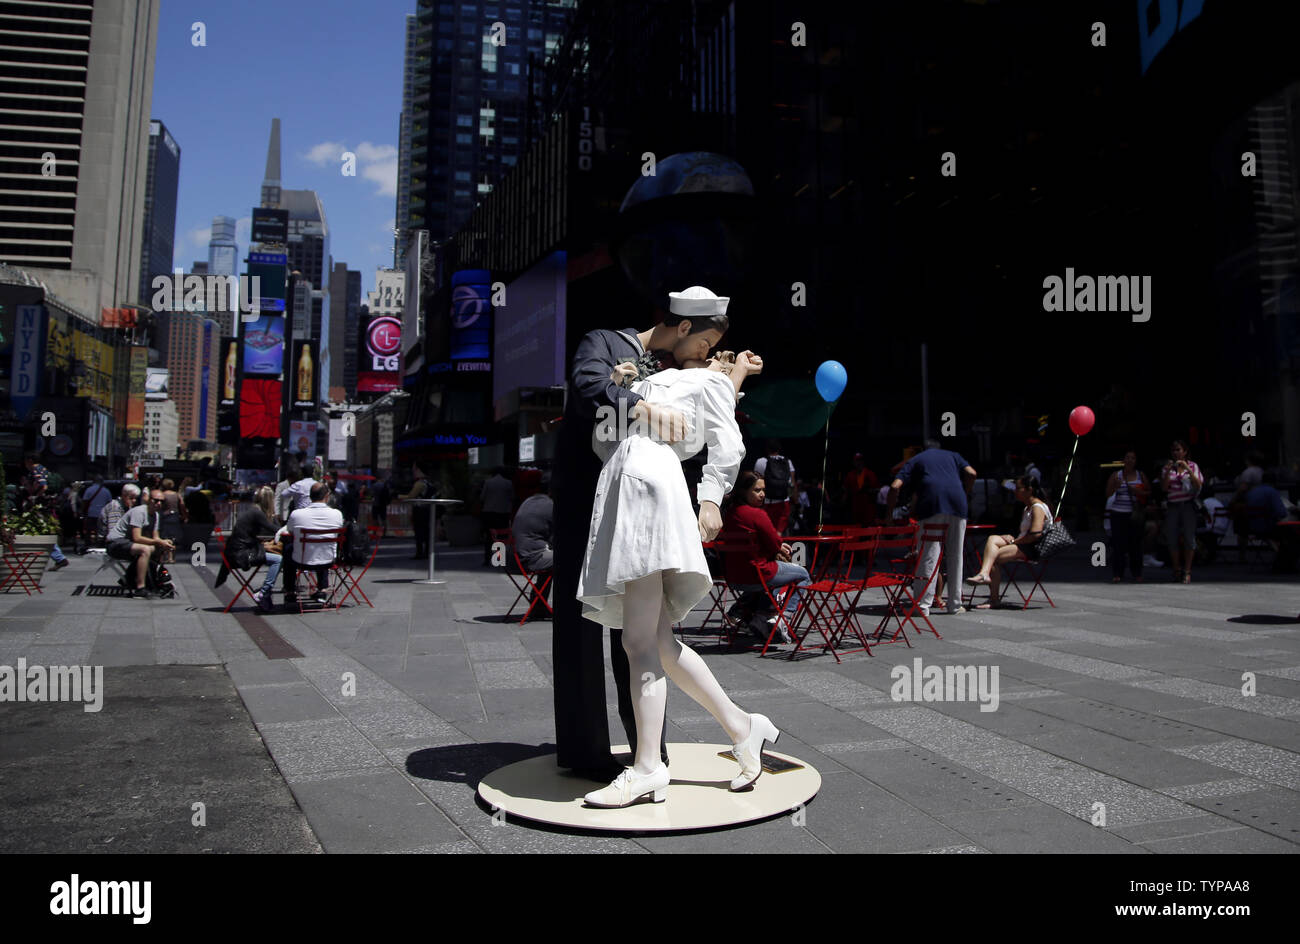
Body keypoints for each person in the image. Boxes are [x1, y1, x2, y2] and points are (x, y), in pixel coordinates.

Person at [577, 342, 779, 807]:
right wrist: (623, 389)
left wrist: (711, 497)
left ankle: (648, 767)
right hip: (629, 481)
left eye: (716, 349)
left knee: (639, 642)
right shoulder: (659, 380)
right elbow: (606, 437)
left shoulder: (708, 381)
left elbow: (727, 440)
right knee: (659, 643)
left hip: (647, 486)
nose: (712, 353)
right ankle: (743, 727)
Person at [551, 286, 726, 781]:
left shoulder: (676, 370)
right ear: (685, 328)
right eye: (705, 344)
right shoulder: (604, 341)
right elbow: (588, 386)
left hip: (640, 502)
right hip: (588, 494)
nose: (705, 355)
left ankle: (648, 751)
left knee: (642, 629)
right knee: (584, 621)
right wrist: (641, 406)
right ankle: (585, 748)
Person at [885, 438, 976, 616]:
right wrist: (964, 493)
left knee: (929, 554)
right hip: (958, 505)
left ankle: (922, 605)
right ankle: (955, 605)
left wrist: (889, 515)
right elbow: (972, 473)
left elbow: (895, 486)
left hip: (932, 505)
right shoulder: (954, 456)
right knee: (956, 555)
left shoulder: (917, 459)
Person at [719, 469, 811, 642]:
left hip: (733, 576)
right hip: (759, 573)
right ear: (744, 491)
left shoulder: (729, 513)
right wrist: (777, 545)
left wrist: (775, 545)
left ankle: (740, 611)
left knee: (766, 579)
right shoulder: (757, 514)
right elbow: (774, 544)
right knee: (803, 575)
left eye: (763, 490)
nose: (762, 495)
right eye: (757, 490)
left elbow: (771, 544)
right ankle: (783, 617)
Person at [965, 477, 1052, 607]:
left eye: (1018, 488)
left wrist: (1013, 541)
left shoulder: (1037, 508)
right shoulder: (1027, 508)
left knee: (993, 557)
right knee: (993, 538)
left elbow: (1035, 535)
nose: (1014, 491)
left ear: (1029, 490)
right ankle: (984, 574)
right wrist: (1012, 539)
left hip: (1032, 548)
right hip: (1023, 544)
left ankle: (993, 598)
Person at [277, 482, 345, 608]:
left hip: (302, 560)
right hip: (328, 560)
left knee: (288, 549)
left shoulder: (297, 514)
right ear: (327, 496)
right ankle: (322, 589)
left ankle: (290, 591)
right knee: (323, 545)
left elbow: (290, 531)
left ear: (310, 496)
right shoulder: (337, 514)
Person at [221, 485, 284, 612]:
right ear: (269, 501)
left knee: (276, 555)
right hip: (241, 555)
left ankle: (265, 593)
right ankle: (264, 592)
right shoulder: (257, 513)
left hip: (236, 551)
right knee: (277, 559)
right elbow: (275, 529)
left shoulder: (253, 511)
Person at [106, 486, 173, 598]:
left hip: (128, 543)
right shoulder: (139, 512)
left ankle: (146, 580)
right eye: (156, 500)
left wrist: (164, 542)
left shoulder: (155, 515)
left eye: (162, 501)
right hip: (115, 543)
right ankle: (140, 587)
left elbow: (155, 538)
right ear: (149, 500)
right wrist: (159, 542)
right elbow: (137, 537)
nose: (159, 503)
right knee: (145, 550)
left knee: (157, 548)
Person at [1232, 472, 1299, 572]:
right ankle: (1286, 563)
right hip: (1267, 527)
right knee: (1292, 535)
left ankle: (1284, 562)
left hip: (1251, 526)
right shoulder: (1272, 492)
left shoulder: (1252, 492)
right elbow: (1281, 513)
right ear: (1274, 483)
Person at [511, 475, 554, 619]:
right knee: (571, 559)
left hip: (517, 555)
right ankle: (569, 609)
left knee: (554, 559)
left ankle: (538, 606)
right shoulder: (550, 505)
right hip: (532, 557)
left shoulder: (528, 501)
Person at [1161, 440, 1203, 583]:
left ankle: (1187, 570)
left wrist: (1188, 469)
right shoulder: (1168, 467)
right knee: (1172, 537)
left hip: (1188, 505)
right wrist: (1167, 471)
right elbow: (1164, 488)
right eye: (1173, 450)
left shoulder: (1193, 465)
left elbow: (1199, 484)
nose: (1176, 453)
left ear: (1184, 451)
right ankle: (1176, 569)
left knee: (1189, 537)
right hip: (1173, 505)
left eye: (1178, 450)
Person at [1105, 450, 1148, 583]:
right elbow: (1107, 493)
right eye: (1127, 458)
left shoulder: (1140, 475)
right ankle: (1118, 573)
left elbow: (1148, 492)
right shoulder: (1116, 475)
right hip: (1118, 513)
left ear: (1136, 461)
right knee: (1119, 545)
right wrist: (1116, 487)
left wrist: (1136, 491)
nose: (1130, 460)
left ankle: (1137, 573)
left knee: (1136, 545)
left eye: (1133, 458)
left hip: (1134, 514)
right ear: (1123, 460)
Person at [753, 441, 797, 535]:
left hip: (767, 501)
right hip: (784, 501)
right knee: (780, 531)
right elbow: (792, 483)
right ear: (779, 449)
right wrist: (795, 500)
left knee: (767, 529)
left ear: (767, 449)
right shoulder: (787, 461)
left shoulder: (761, 461)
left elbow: (757, 482)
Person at [480, 467, 515, 566]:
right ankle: (500, 559)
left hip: (489, 512)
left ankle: (487, 559)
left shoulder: (488, 482)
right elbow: (512, 497)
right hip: (503, 512)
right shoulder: (508, 483)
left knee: (489, 537)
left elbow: (482, 497)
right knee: (502, 536)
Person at [400, 465, 432, 558]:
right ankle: (426, 552)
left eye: (415, 470)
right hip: (426, 509)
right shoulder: (428, 482)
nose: (414, 472)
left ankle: (420, 552)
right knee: (426, 532)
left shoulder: (419, 484)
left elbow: (411, 496)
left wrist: (399, 496)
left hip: (419, 510)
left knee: (419, 532)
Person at [843, 453, 879, 527]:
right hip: (855, 505)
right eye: (856, 461)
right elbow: (845, 489)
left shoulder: (870, 473)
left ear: (863, 462)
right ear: (853, 462)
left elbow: (877, 489)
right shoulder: (850, 474)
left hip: (868, 504)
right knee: (856, 525)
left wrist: (868, 490)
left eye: (860, 460)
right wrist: (844, 500)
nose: (858, 463)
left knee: (868, 525)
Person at [157, 478, 186, 563]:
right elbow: (182, 505)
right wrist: (184, 515)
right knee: (173, 537)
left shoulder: (162, 494)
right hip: (175, 516)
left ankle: (162, 557)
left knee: (163, 536)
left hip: (164, 517)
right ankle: (171, 557)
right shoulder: (177, 495)